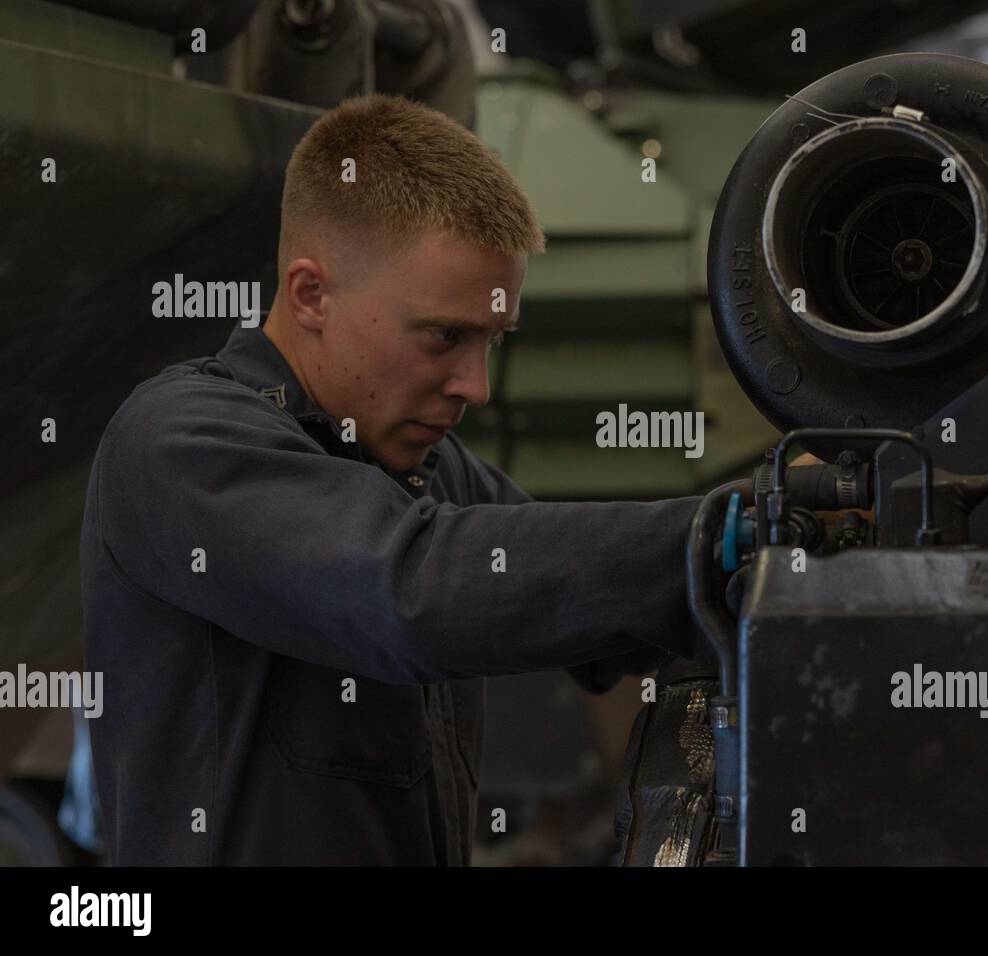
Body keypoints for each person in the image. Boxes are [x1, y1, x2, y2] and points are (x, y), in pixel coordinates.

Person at [80, 94, 704, 865]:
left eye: (492, 341)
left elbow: (584, 598)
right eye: (444, 336)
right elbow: (411, 592)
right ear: (311, 294)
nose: (474, 386)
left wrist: (788, 553)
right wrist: (716, 534)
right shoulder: (179, 443)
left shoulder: (431, 470)